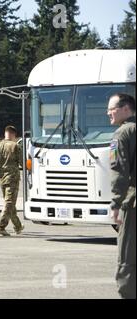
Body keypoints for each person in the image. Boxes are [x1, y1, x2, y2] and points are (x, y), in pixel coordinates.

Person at [107, 93, 136, 299]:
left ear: (126, 108)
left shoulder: (122, 134)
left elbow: (119, 170)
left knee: (127, 257)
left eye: (112, 108)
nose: (108, 112)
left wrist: (116, 203)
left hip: (133, 203)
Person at [0, 125, 24, 237]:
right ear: (14, 135)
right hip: (12, 178)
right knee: (9, 203)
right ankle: (1, 226)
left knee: (10, 202)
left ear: (5, 133)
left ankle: (18, 226)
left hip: (2, 178)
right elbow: (23, 162)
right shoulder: (15, 146)